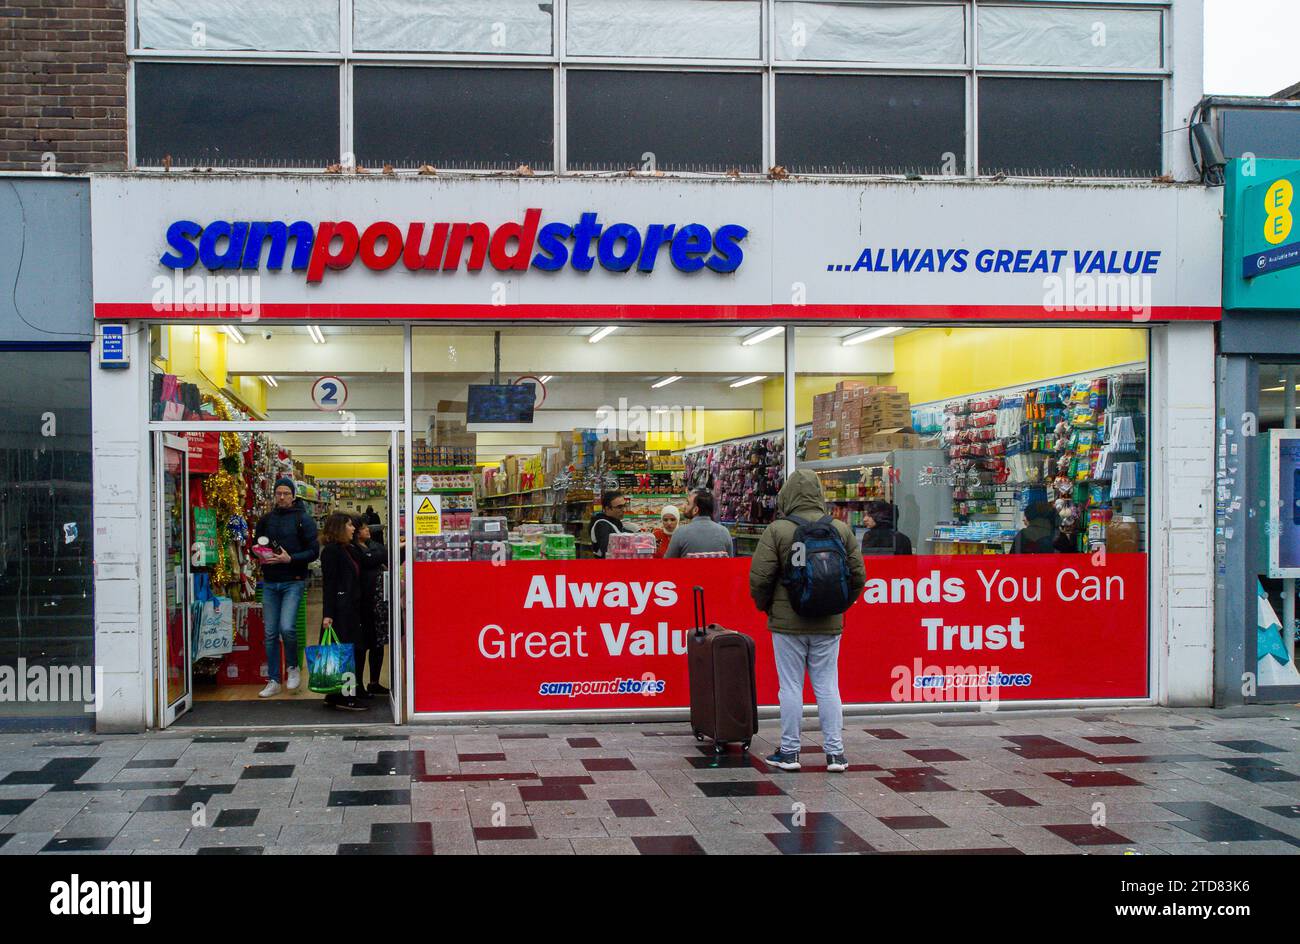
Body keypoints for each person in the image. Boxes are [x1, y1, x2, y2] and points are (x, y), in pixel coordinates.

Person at [748, 469, 866, 773]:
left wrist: (768, 608)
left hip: (788, 624)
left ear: (788, 495)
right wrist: (840, 604)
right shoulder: (840, 529)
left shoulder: (778, 530)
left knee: (790, 687)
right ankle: (836, 753)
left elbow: (760, 578)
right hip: (829, 622)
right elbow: (858, 576)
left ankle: (789, 752)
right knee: (828, 685)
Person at [254, 477, 319, 698]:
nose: (282, 497)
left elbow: (314, 551)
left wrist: (290, 559)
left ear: (293, 496)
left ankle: (292, 667)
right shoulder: (266, 520)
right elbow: (256, 542)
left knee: (287, 627)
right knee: (270, 632)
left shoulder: (304, 520)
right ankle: (273, 679)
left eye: (286, 493)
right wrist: (259, 554)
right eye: (278, 493)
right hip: (270, 581)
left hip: (294, 579)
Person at [318, 512, 368, 711]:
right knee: (346, 652)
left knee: (345, 650)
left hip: (349, 607)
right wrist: (328, 613)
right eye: (349, 525)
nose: (353, 528)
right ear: (339, 528)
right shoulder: (331, 552)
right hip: (340, 610)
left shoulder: (346, 549)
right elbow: (329, 583)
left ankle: (334, 694)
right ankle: (346, 696)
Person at [350, 516, 390, 696]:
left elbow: (380, 554)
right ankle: (357, 683)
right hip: (364, 602)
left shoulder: (372, 545)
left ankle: (374, 681)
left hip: (379, 601)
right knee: (362, 644)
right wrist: (383, 554)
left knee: (378, 643)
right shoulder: (354, 550)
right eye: (364, 528)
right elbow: (371, 559)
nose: (368, 531)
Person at [665, 489, 735, 557]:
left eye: (688, 503)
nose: (684, 506)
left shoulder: (681, 533)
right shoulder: (724, 532)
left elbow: (667, 564)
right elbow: (730, 564)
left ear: (695, 510)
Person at [589, 490, 630, 558]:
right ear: (607, 509)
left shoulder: (615, 522)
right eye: (619, 507)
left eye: (624, 506)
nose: (624, 510)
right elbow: (608, 551)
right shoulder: (602, 525)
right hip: (607, 567)